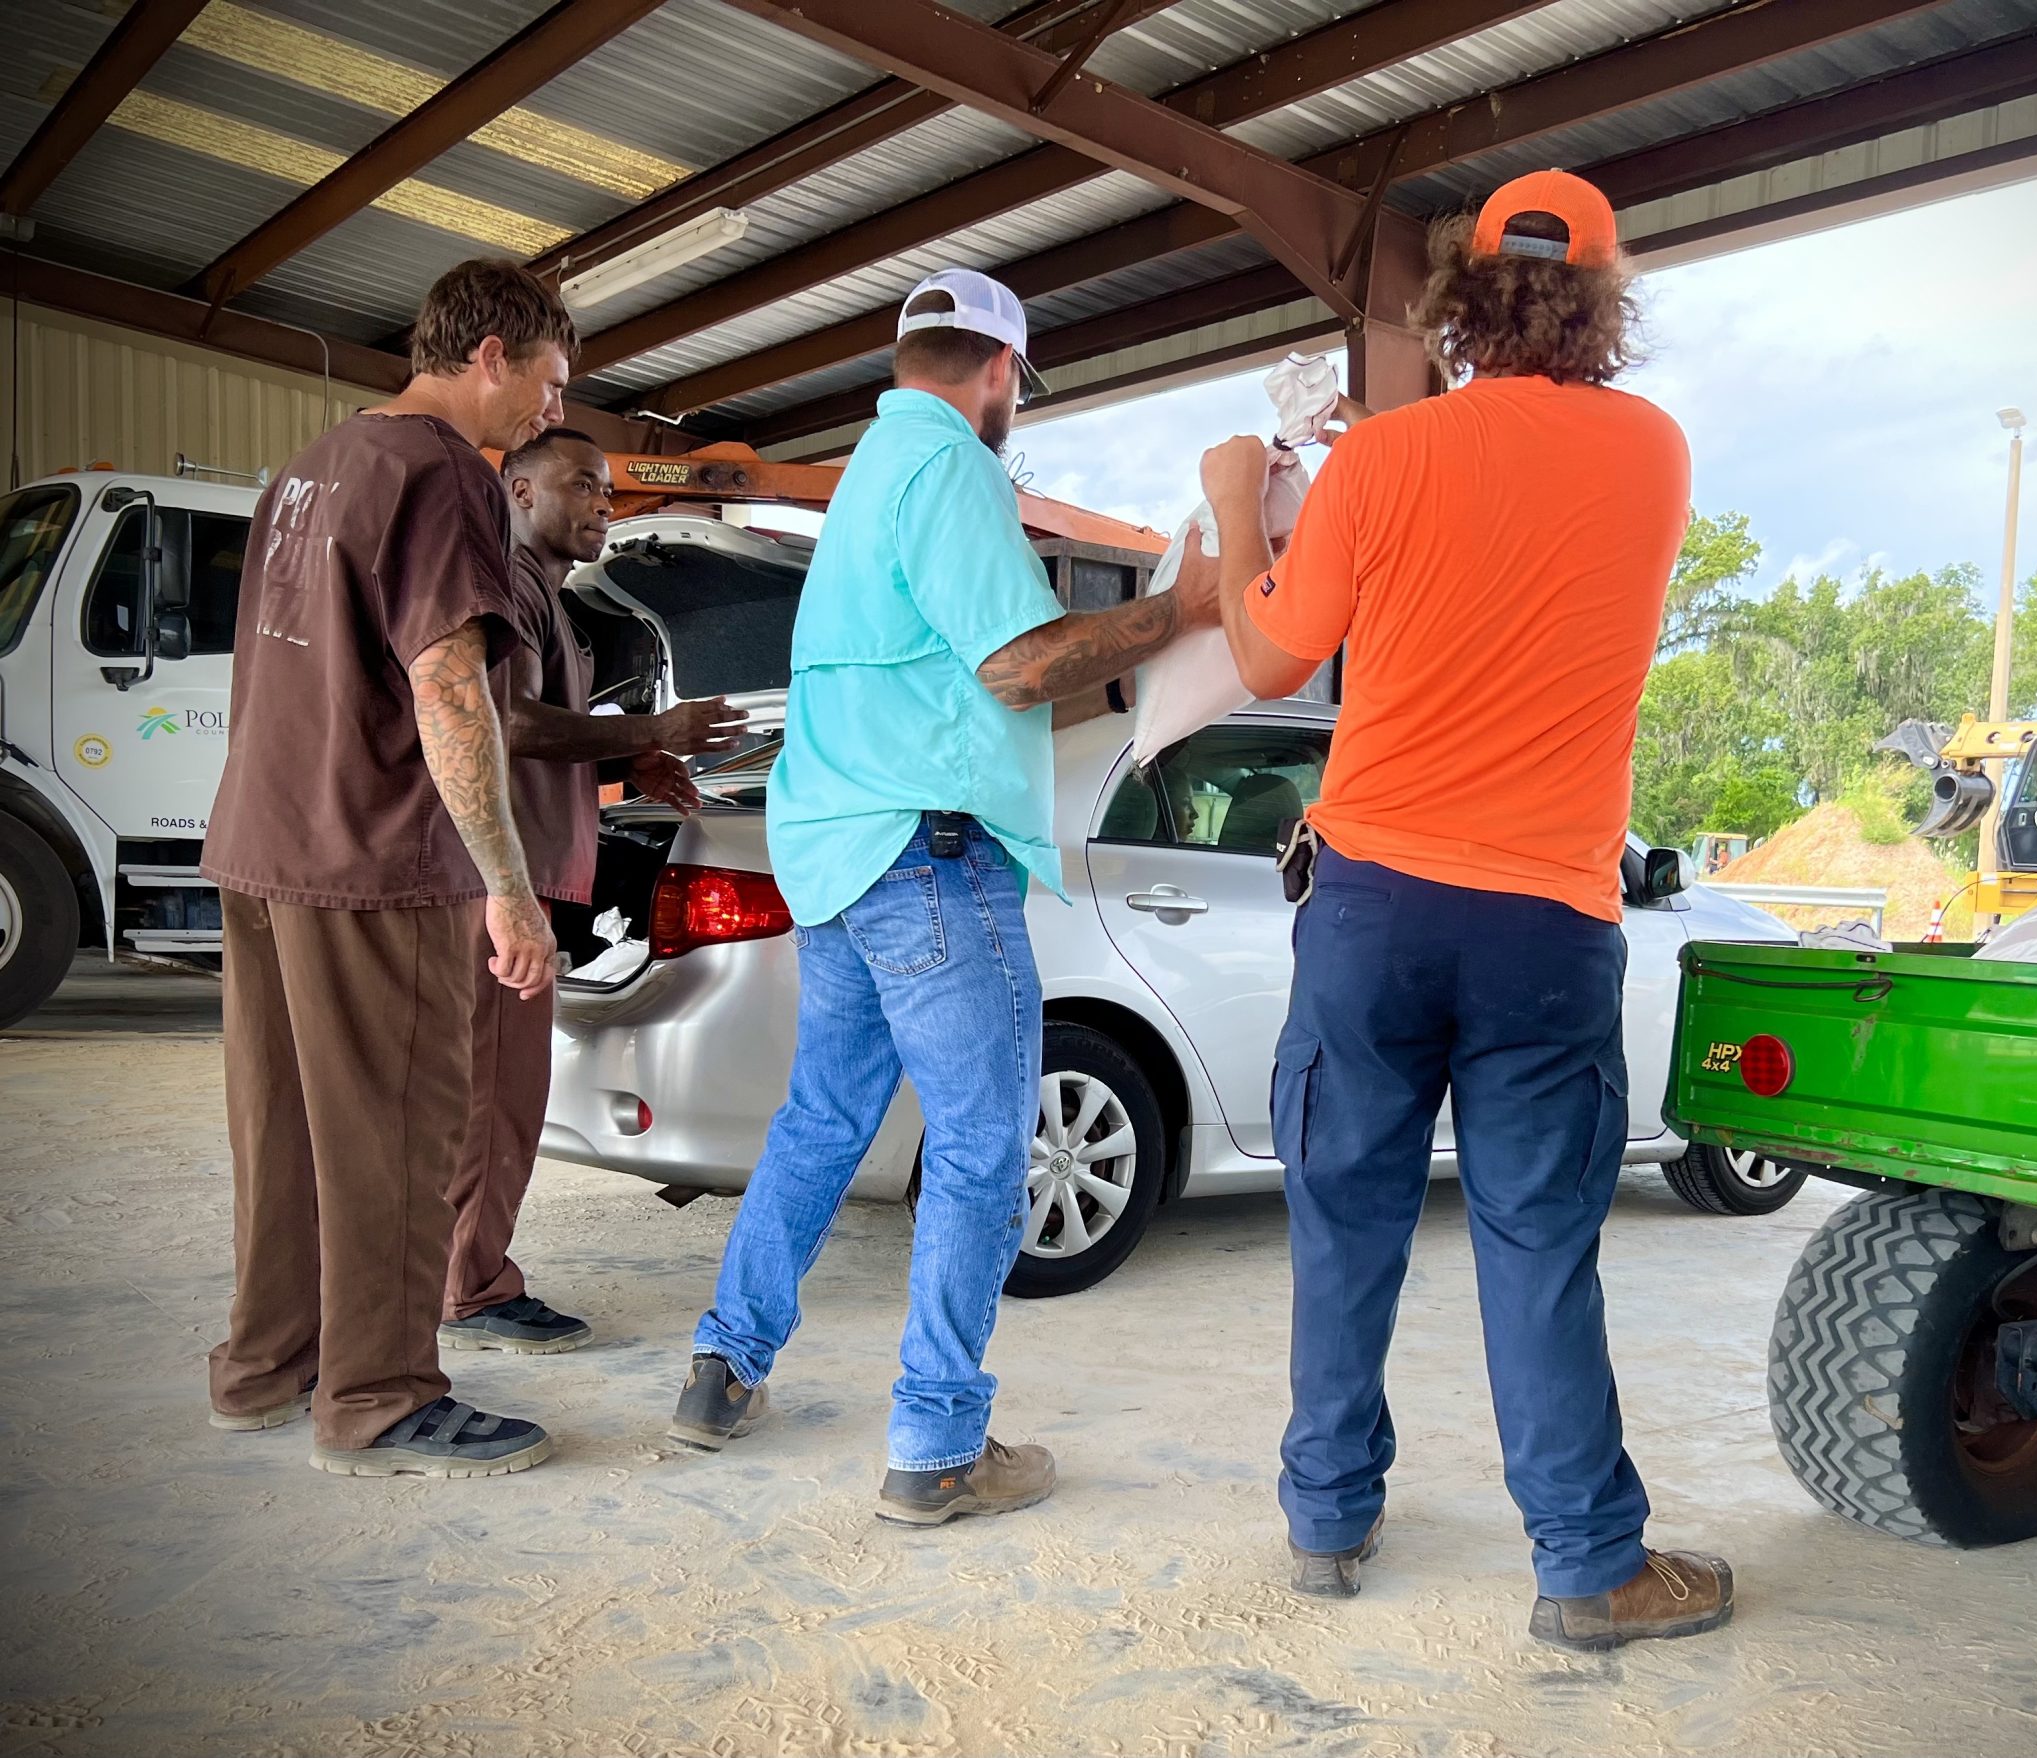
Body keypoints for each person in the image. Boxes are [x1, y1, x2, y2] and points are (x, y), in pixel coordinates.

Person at [1198, 169, 1734, 1650]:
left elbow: (1263, 654)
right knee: (1538, 1240)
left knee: (1345, 1218)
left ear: (1460, 297)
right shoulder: (1655, 452)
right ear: (1607, 299)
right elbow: (1525, 522)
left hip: (1372, 903)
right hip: (1548, 923)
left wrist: (1243, 506)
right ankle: (1587, 1564)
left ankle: (1327, 1516)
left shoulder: (1380, 458)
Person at [670, 268, 1223, 1527]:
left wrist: (1121, 663)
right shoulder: (958, 472)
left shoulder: (869, 473)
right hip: (928, 858)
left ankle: (723, 1370)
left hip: (838, 857)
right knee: (981, 1148)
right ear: (998, 376)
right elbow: (1022, 664)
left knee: (821, 1122)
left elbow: (964, 675)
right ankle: (935, 1446)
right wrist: (1176, 612)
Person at [202, 259, 570, 1479]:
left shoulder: (315, 464)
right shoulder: (443, 473)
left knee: (288, 1129)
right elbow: (449, 684)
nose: (550, 414)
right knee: (399, 1135)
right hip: (373, 858)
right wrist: (509, 888)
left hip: (266, 843)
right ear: (491, 356)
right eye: (548, 384)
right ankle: (379, 1395)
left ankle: (268, 1366)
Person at [437, 429, 751, 1355]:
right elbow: (511, 723)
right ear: (521, 491)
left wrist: (631, 757)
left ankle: (460, 1274)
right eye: (584, 485)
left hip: (530, 879)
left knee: (495, 1094)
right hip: (509, 889)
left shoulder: (545, 596)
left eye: (609, 491)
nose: (603, 504)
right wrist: (655, 725)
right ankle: (472, 1287)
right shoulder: (508, 587)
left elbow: (546, 730)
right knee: (497, 1096)